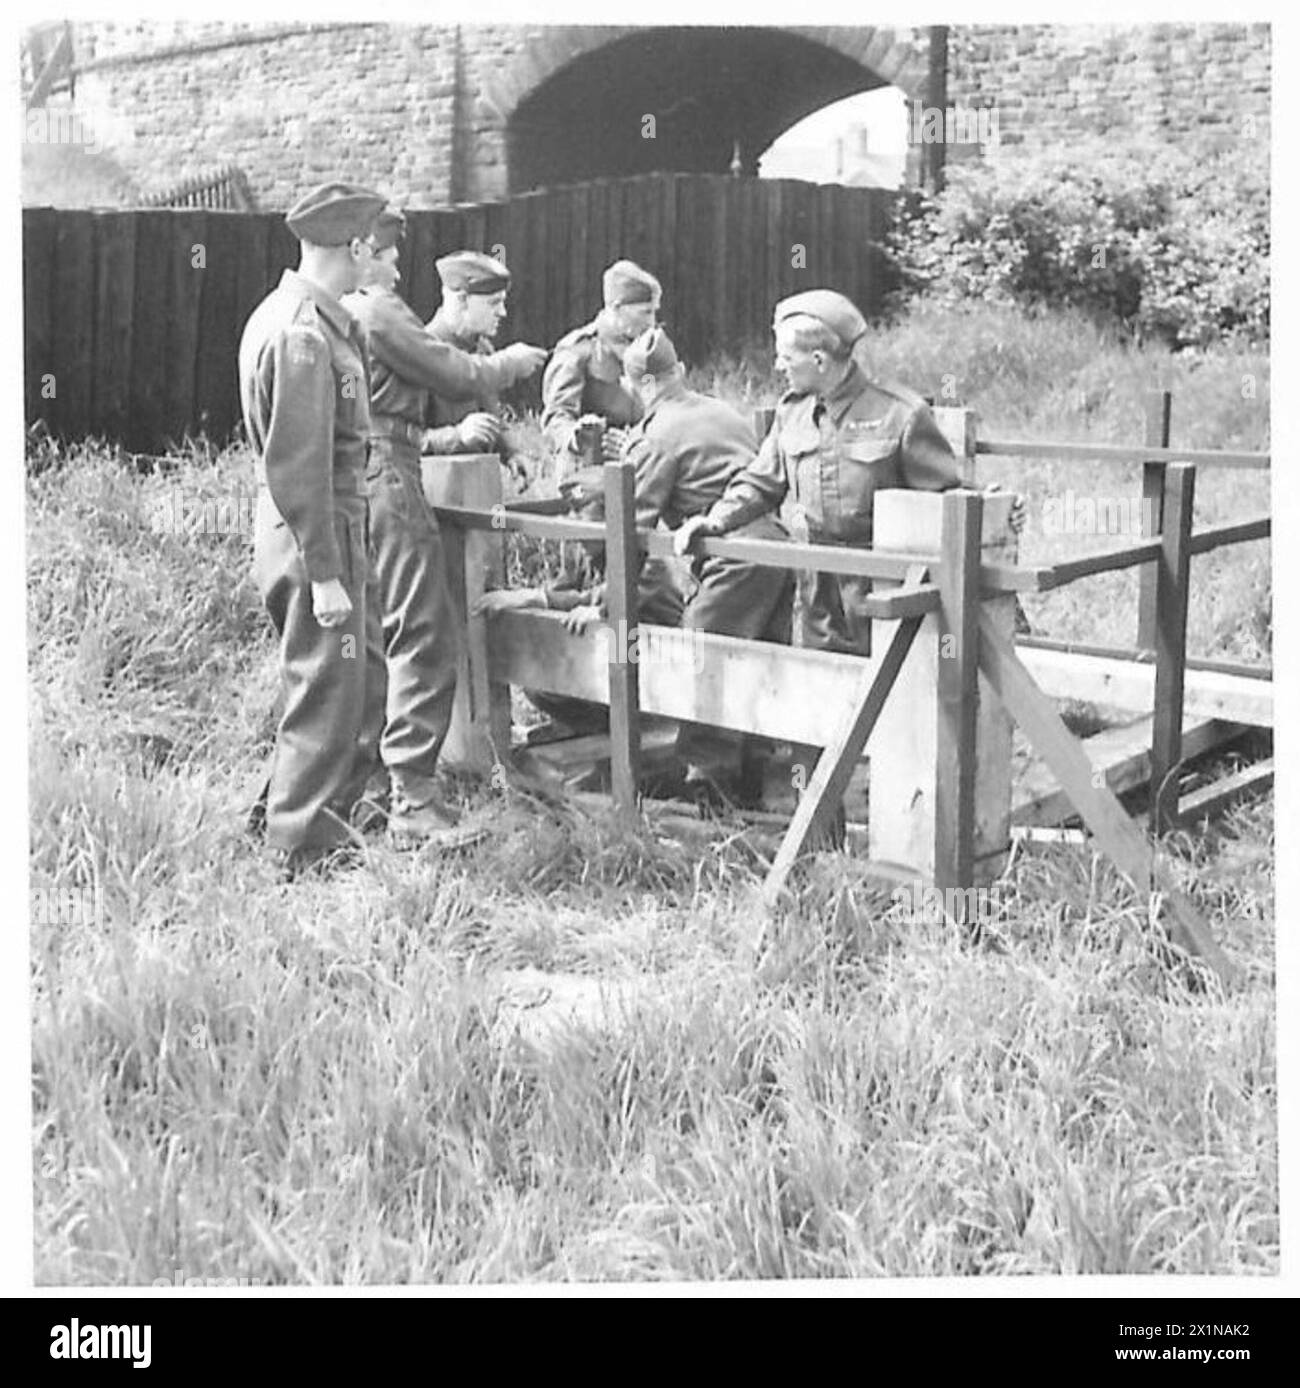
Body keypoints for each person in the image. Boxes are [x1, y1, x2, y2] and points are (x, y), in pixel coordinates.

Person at [674, 288, 1023, 832]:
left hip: (887, 594)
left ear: (819, 360)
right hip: (816, 595)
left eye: (785, 357)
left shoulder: (900, 415)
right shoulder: (792, 416)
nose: (777, 365)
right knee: (813, 714)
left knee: (908, 711)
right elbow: (759, 483)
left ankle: (916, 834)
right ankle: (823, 839)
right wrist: (713, 521)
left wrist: (992, 512)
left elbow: (948, 498)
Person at [343, 213, 543, 843]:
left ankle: (380, 785)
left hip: (387, 483)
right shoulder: (384, 315)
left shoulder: (356, 313)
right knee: (425, 634)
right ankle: (412, 799)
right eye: (388, 253)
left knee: (393, 632)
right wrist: (508, 367)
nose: (398, 267)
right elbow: (449, 382)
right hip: (396, 482)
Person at [238, 181, 385, 877]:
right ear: (354, 246)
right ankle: (298, 856)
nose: (376, 260)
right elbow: (299, 467)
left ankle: (300, 819)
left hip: (318, 531)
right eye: (372, 248)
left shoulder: (302, 317)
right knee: (329, 692)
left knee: (345, 684)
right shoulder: (301, 334)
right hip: (314, 535)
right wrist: (326, 574)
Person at [423, 250, 547, 476]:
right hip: (429, 495)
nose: (503, 312)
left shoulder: (483, 350)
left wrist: (510, 452)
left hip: (475, 488)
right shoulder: (419, 354)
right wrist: (456, 436)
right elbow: (390, 442)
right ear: (462, 300)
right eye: (494, 303)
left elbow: (490, 416)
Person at [540, 258, 660, 467]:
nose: (652, 322)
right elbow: (556, 418)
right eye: (645, 312)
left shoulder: (651, 352)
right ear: (616, 308)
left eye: (654, 311)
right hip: (589, 471)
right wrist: (575, 437)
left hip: (644, 466)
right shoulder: (578, 350)